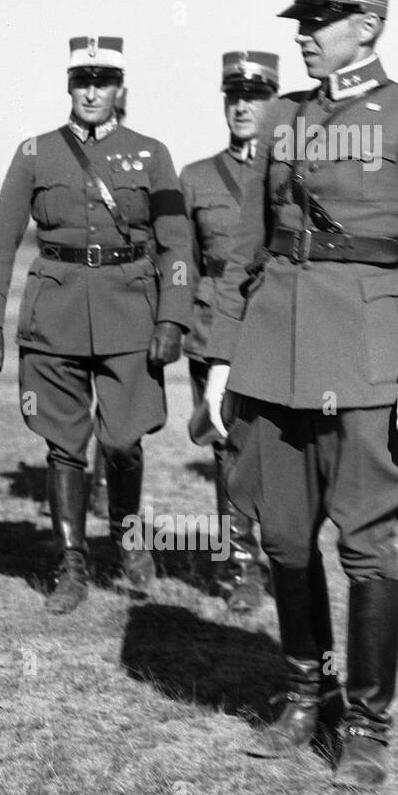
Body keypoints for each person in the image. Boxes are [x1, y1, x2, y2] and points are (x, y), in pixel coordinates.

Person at [204, 0, 398, 788]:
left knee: (366, 544)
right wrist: (220, 356)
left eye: (319, 20)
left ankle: (366, 723)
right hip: (276, 358)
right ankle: (304, 692)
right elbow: (246, 249)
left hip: (367, 358)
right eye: (301, 19)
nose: (302, 34)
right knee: (286, 540)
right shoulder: (282, 118)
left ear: (369, 25)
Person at [0, 36, 193, 614]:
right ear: (68, 85)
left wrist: (173, 315)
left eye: (103, 80)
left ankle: (126, 537)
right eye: (81, 80)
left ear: (120, 88)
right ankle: (71, 563)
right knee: (63, 445)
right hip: (56, 314)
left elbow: (176, 244)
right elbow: (1, 239)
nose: (91, 90)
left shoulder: (152, 154)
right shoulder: (34, 152)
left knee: (122, 439)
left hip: (130, 314)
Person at [179, 50, 278, 614]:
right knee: (224, 446)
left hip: (278, 329)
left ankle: (282, 558)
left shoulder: (296, 170)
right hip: (215, 329)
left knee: (277, 450)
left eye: (254, 96)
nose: (242, 106)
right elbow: (186, 262)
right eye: (233, 97)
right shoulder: (196, 178)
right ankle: (241, 564)